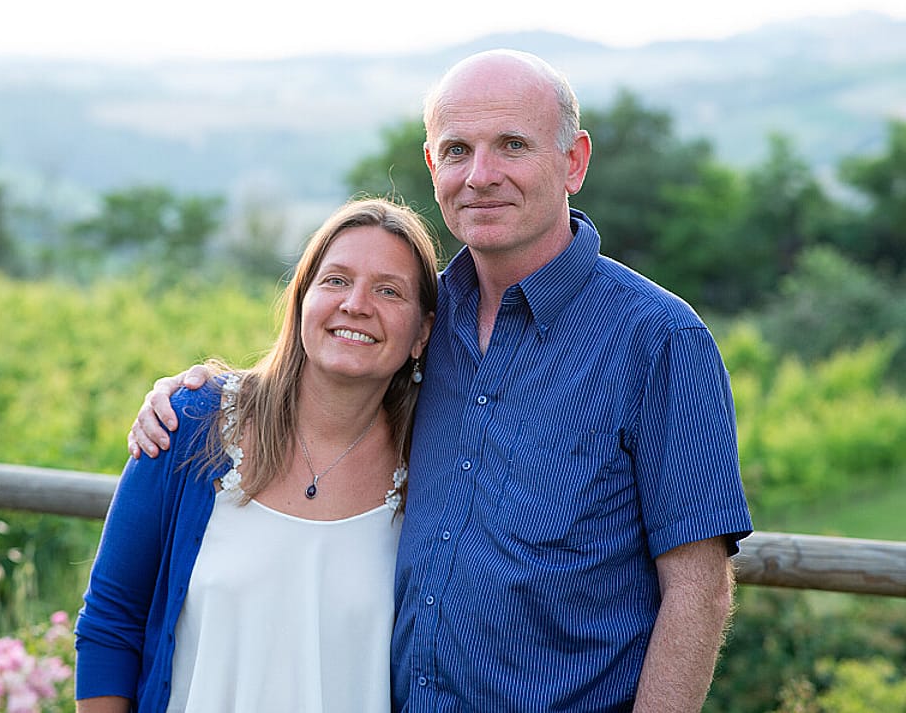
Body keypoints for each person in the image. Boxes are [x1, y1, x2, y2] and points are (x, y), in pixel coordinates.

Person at [128, 49, 753, 712]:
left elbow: (698, 589)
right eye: (457, 150)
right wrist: (204, 391)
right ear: (434, 167)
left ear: (574, 160)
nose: (481, 175)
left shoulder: (658, 340)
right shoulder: (418, 320)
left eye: (511, 145)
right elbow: (317, 380)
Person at [74, 198, 438, 712]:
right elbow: (113, 622)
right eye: (335, 280)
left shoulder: (436, 467)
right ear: (301, 299)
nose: (356, 304)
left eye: (388, 290)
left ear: (421, 332)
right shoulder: (191, 425)